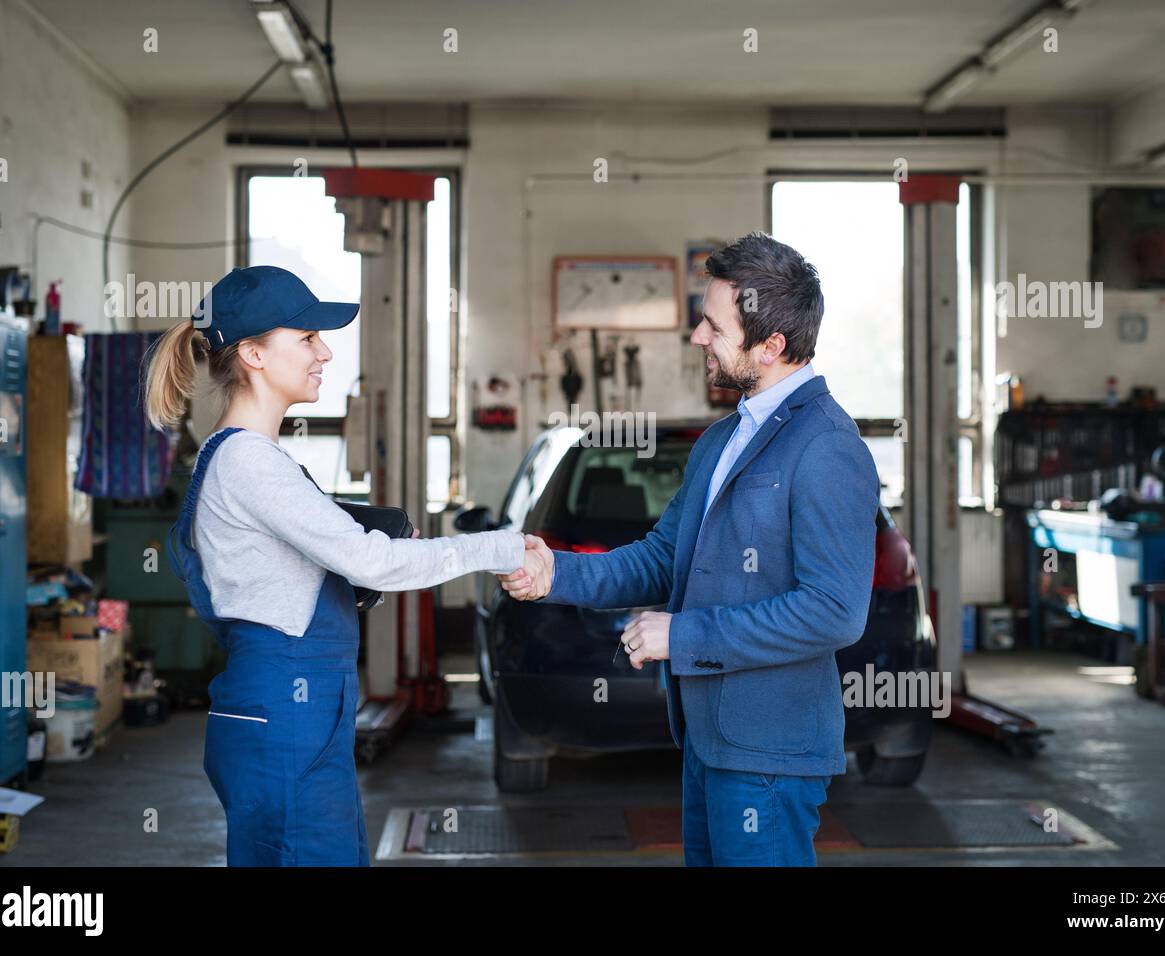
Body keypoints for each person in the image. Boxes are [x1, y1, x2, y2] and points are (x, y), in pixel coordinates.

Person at [144, 265, 546, 866]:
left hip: (300, 707)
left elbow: (304, 573)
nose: (324, 351)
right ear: (253, 353)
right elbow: (374, 561)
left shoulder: (246, 457)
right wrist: (502, 547)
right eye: (306, 338)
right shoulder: (248, 463)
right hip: (284, 710)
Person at [500, 233, 880, 867]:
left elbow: (834, 611)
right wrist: (552, 574)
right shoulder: (724, 439)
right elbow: (658, 557)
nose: (699, 338)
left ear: (772, 345)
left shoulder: (827, 447)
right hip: (711, 741)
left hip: (769, 756)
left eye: (712, 326)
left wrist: (683, 636)